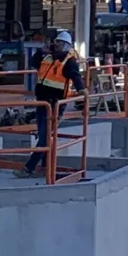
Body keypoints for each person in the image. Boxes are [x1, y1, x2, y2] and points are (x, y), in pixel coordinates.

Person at [23, 28, 83, 178]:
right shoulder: (48, 57)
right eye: (56, 43)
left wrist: (82, 90)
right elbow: (33, 63)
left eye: (61, 44)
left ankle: (29, 168)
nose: (57, 46)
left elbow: (76, 77)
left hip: (55, 105)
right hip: (42, 103)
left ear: (67, 46)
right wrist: (42, 51)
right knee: (44, 135)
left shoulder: (69, 62)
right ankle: (45, 166)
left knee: (44, 137)